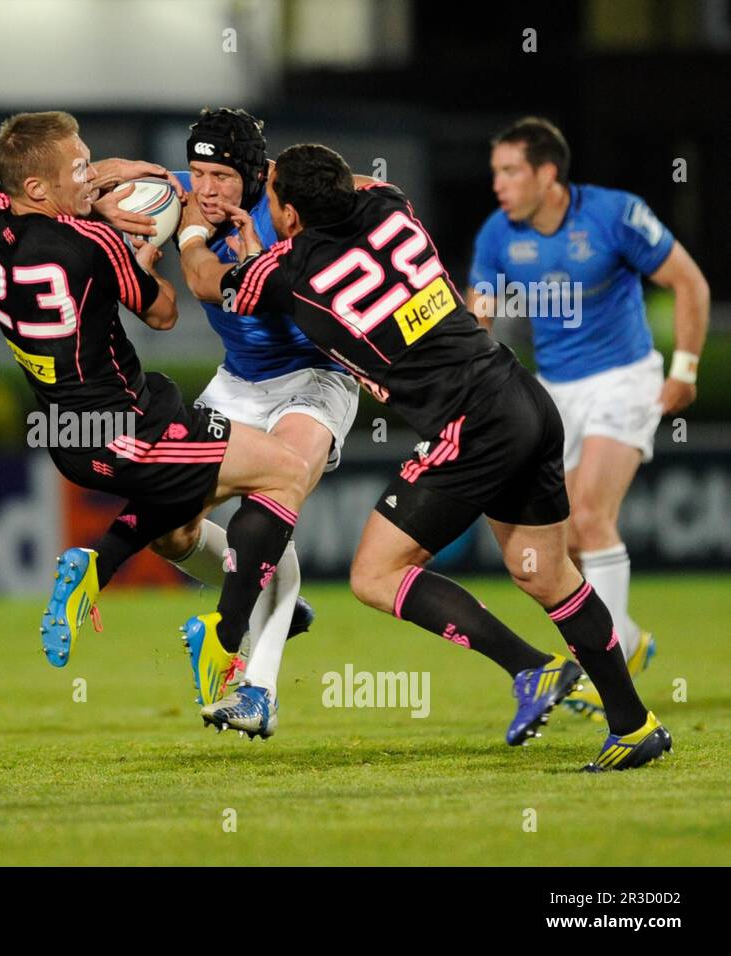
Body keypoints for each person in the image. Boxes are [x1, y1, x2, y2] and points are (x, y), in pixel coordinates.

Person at [178, 143, 670, 771]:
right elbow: (341, 184)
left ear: (293, 215)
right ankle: (633, 722)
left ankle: (540, 674)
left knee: (374, 575)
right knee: (547, 576)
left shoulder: (290, 272)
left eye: (273, 197)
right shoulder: (388, 204)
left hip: (471, 424)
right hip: (520, 396)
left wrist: (192, 218)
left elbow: (202, 277)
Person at [0, 110, 310, 710]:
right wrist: (149, 255)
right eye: (80, 167)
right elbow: (164, 312)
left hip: (65, 429)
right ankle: (222, 636)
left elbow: (15, 186)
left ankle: (107, 570)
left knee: (180, 509)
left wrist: (99, 180)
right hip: (132, 428)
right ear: (39, 189)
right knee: (284, 470)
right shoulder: (93, 243)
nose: (92, 174)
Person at [466, 116, 710, 716]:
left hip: (624, 379)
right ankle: (623, 632)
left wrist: (685, 370)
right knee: (551, 544)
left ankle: (612, 664)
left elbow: (689, 282)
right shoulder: (498, 234)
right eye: (495, 171)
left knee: (590, 516)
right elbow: (478, 320)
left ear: (548, 174)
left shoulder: (615, 214)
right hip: (554, 393)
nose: (497, 183)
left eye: (510, 171)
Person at [147, 108, 359, 739]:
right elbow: (191, 286)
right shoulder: (182, 203)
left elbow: (213, 284)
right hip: (239, 383)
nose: (206, 188)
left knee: (270, 501)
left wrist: (185, 239)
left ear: (255, 174)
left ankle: (257, 689)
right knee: (166, 527)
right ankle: (271, 594)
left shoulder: (289, 204)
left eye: (221, 175)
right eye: (198, 172)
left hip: (317, 378)